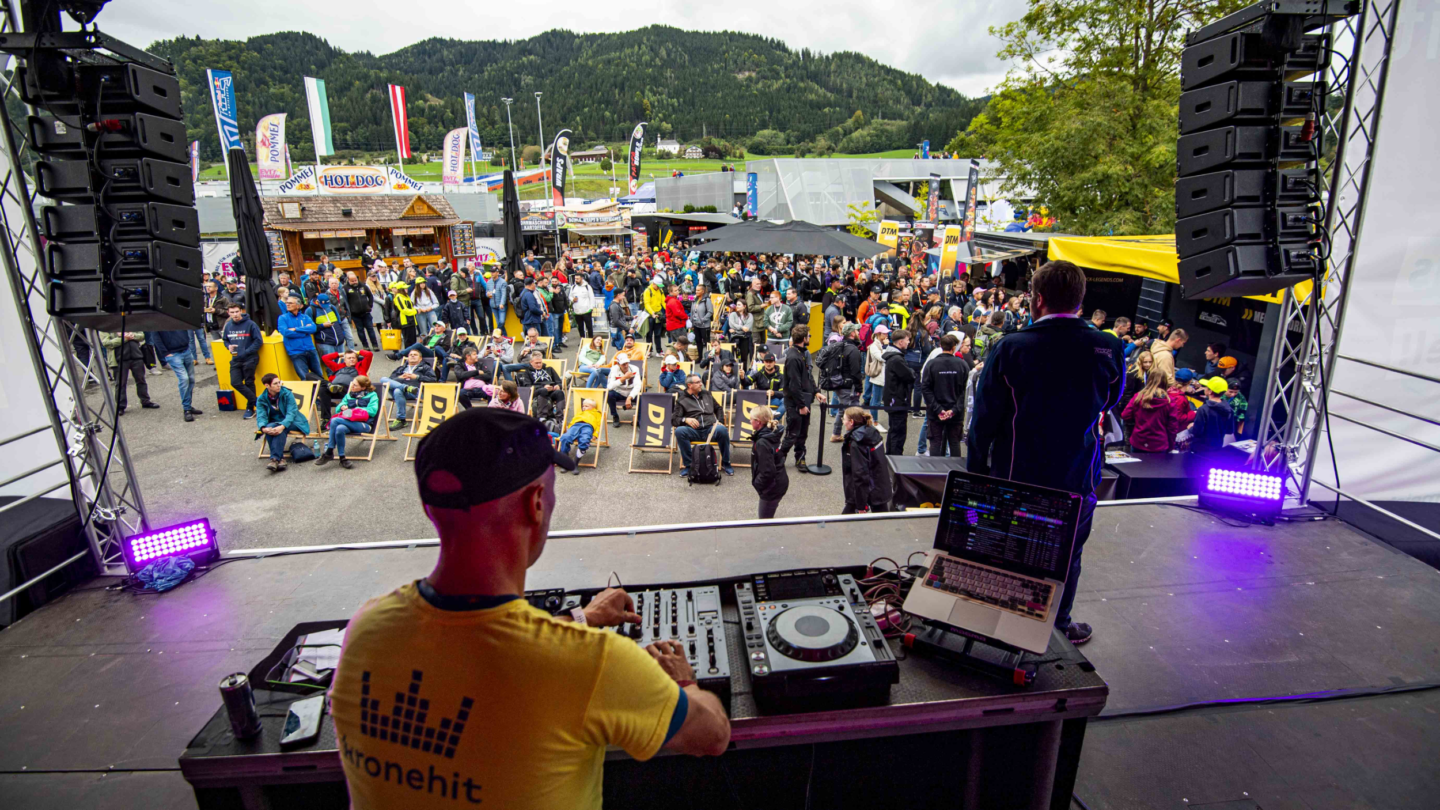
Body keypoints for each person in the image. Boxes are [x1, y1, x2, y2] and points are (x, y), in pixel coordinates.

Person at [329, 408, 730, 810]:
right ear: (536, 503)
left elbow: (478, 648)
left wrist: (580, 619)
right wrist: (684, 682)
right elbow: (711, 735)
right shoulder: (591, 663)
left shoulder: (368, 629)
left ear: (429, 507)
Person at [966, 260, 1125, 645]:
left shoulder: (1012, 347)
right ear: (1081, 301)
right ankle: (1058, 625)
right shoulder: (1109, 347)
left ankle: (1003, 625)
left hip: (1016, 477)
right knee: (1067, 554)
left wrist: (976, 478)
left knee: (1009, 550)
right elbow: (1112, 400)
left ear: (1037, 300)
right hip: (1076, 476)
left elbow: (983, 422)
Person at [671, 374, 734, 477]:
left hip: (711, 429)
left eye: (701, 381)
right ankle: (689, 465)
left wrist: (720, 421)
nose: (701, 384)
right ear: (689, 385)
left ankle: (726, 463)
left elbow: (718, 408)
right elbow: (674, 420)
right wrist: (685, 419)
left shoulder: (707, 394)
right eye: (698, 382)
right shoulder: (682, 400)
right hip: (694, 431)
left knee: (722, 429)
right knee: (679, 431)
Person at [920, 333, 968, 457]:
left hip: (937, 412)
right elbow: (965, 391)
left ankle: (935, 474)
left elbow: (925, 388)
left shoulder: (931, 364)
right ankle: (955, 472)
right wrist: (953, 410)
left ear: (941, 346)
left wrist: (939, 409)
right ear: (954, 347)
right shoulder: (962, 365)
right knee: (954, 443)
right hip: (954, 412)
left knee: (935, 443)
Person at [316, 376, 379, 469]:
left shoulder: (372, 395)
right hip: (348, 421)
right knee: (339, 428)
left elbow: (372, 411)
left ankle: (329, 451)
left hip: (364, 424)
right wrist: (342, 407)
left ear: (363, 387)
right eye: (352, 383)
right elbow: (338, 409)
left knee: (334, 420)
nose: (352, 386)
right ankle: (342, 458)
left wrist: (353, 410)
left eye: (355, 385)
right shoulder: (350, 395)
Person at [780, 325, 819, 472]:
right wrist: (801, 405)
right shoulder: (793, 357)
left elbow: (807, 376)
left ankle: (800, 458)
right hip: (795, 402)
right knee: (792, 433)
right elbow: (794, 385)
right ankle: (779, 459)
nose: (810, 338)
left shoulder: (803, 353)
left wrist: (816, 391)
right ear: (804, 338)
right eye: (809, 336)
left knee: (803, 432)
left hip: (805, 399)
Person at [840, 407, 892, 513]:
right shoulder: (872, 432)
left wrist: (861, 505)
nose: (843, 421)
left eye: (844, 419)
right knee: (883, 519)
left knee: (846, 520)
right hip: (880, 486)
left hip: (866, 490)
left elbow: (860, 474)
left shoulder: (856, 443)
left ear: (851, 422)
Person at [255, 373, 310, 472]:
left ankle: (275, 459)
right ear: (267, 385)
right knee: (270, 428)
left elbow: (291, 414)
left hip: (294, 422)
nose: (279, 385)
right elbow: (261, 415)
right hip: (275, 423)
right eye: (275, 383)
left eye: (279, 382)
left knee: (278, 429)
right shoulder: (261, 399)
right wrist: (263, 428)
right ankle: (280, 459)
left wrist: (282, 426)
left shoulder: (287, 394)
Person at [220, 302, 264, 419]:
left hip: (250, 358)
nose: (235, 314)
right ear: (228, 313)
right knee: (235, 382)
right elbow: (225, 340)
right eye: (232, 312)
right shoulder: (228, 325)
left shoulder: (251, 324)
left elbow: (258, 341)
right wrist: (228, 346)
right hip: (235, 358)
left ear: (241, 311)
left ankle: (250, 408)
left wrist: (246, 352)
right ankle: (258, 403)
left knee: (249, 382)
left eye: (236, 311)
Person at [1121, 370, 1179, 453]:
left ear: (1149, 380)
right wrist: (1171, 445)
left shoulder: (1138, 397)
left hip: (1138, 440)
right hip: (1159, 444)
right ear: (1165, 382)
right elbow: (1173, 427)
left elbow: (1125, 415)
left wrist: (1138, 418)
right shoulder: (1169, 401)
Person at [100, 330, 158, 414]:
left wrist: (132, 335)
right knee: (120, 384)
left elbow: (141, 335)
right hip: (119, 359)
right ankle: (120, 406)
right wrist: (124, 338)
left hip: (136, 356)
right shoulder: (107, 327)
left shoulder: (131, 322)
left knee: (141, 381)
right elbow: (106, 343)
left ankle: (145, 401)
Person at [152, 329, 202, 422]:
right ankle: (187, 409)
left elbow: (186, 331)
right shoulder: (158, 322)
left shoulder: (177, 318)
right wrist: (166, 353)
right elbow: (156, 338)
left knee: (191, 379)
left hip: (186, 351)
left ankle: (188, 406)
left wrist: (187, 345)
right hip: (173, 354)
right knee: (184, 379)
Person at [381, 349, 438, 429]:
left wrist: (417, 377)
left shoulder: (425, 367)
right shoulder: (401, 368)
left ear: (420, 358)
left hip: (416, 391)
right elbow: (390, 380)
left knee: (397, 391)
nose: (412, 356)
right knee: (383, 379)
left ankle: (401, 419)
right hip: (402, 390)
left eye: (415, 354)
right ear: (407, 358)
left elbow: (433, 379)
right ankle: (405, 388)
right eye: (410, 355)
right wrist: (400, 377)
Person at [749, 405, 788, 519]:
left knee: (764, 521)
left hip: (771, 488)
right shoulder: (772, 433)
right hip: (780, 482)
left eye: (751, 419)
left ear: (758, 422)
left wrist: (758, 484)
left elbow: (768, 471)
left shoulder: (762, 442)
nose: (750, 421)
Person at [881, 329, 915, 454]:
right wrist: (911, 372)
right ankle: (895, 457)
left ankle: (890, 455)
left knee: (894, 430)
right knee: (898, 432)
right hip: (897, 400)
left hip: (894, 399)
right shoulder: (897, 359)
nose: (908, 342)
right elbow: (910, 376)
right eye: (907, 340)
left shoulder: (896, 357)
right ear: (900, 342)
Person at [318, 348, 374, 423]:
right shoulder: (338, 367)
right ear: (344, 360)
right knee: (320, 387)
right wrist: (340, 354)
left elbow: (369, 354)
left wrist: (357, 352)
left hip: (349, 391)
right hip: (333, 390)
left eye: (353, 358)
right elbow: (325, 358)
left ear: (357, 359)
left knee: (323, 386)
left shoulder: (361, 366)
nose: (351, 359)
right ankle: (326, 418)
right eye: (349, 358)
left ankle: (330, 385)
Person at [516, 351, 564, 423]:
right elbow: (528, 386)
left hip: (551, 390)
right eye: (536, 363)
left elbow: (559, 382)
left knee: (560, 392)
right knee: (543, 390)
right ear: (531, 362)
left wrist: (558, 386)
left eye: (540, 362)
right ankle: (542, 416)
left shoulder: (549, 369)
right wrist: (543, 386)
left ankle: (560, 418)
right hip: (537, 392)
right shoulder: (527, 372)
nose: (539, 365)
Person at [1190, 377, 1235, 453]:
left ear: (1210, 391)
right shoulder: (1230, 410)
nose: (1204, 388)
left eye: (1206, 387)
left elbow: (1197, 431)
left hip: (1200, 449)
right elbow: (1229, 431)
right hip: (1217, 448)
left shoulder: (1203, 409)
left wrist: (1191, 426)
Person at [558, 398, 602, 473]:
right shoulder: (580, 413)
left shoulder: (597, 413)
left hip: (588, 426)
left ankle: (575, 463)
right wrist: (569, 429)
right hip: (576, 425)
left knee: (584, 441)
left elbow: (598, 425)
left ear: (593, 407)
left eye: (586, 406)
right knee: (565, 437)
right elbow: (572, 421)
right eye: (583, 406)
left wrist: (595, 435)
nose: (584, 407)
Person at [605, 354, 641, 426]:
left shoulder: (635, 369)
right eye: (623, 364)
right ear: (618, 364)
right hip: (619, 392)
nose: (626, 366)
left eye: (627, 363)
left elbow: (638, 385)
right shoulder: (614, 369)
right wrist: (623, 378)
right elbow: (609, 386)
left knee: (642, 397)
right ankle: (615, 415)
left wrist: (630, 397)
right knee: (609, 394)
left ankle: (639, 418)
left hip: (631, 391)